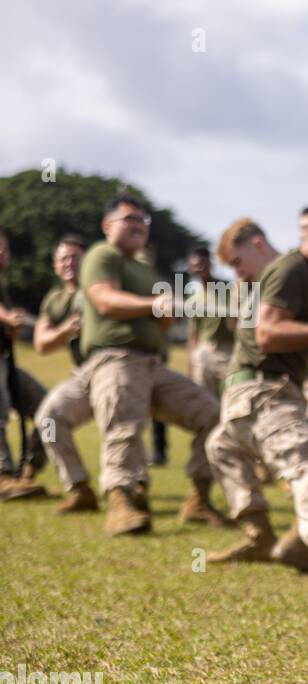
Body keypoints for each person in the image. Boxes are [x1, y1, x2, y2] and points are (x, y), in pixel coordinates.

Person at [205, 211, 308, 587]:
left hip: (269, 393)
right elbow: (268, 334)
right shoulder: (292, 269)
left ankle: (275, 541)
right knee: (307, 456)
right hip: (261, 391)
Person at [77, 195, 225, 534]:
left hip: (153, 364)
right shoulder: (102, 255)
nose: (138, 226)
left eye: (143, 221)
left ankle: (199, 500)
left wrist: (166, 314)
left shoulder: (144, 269)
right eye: (129, 218)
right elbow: (104, 299)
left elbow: (160, 321)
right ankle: (121, 503)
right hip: (116, 358)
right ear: (107, 225)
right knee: (124, 427)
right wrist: (153, 304)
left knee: (214, 416)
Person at [33, 234, 98, 512]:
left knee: (120, 423)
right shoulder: (55, 299)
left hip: (120, 368)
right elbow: (41, 343)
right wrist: (66, 330)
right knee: (48, 418)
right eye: (63, 258)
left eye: (76, 257)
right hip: (83, 375)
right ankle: (78, 487)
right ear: (55, 265)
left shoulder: (99, 285)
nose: (70, 262)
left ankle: (133, 489)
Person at [0, 227, 49, 500]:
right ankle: (2, 476)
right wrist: (7, 317)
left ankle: (28, 471)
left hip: (6, 365)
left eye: (4, 248)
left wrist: (11, 324)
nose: (0, 253)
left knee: (49, 408)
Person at [185, 245, 235, 399]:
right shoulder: (194, 298)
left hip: (227, 352)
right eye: (195, 266)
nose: (199, 269)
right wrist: (191, 365)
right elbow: (193, 334)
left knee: (231, 398)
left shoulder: (228, 289)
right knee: (205, 402)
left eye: (202, 264)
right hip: (203, 353)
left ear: (210, 264)